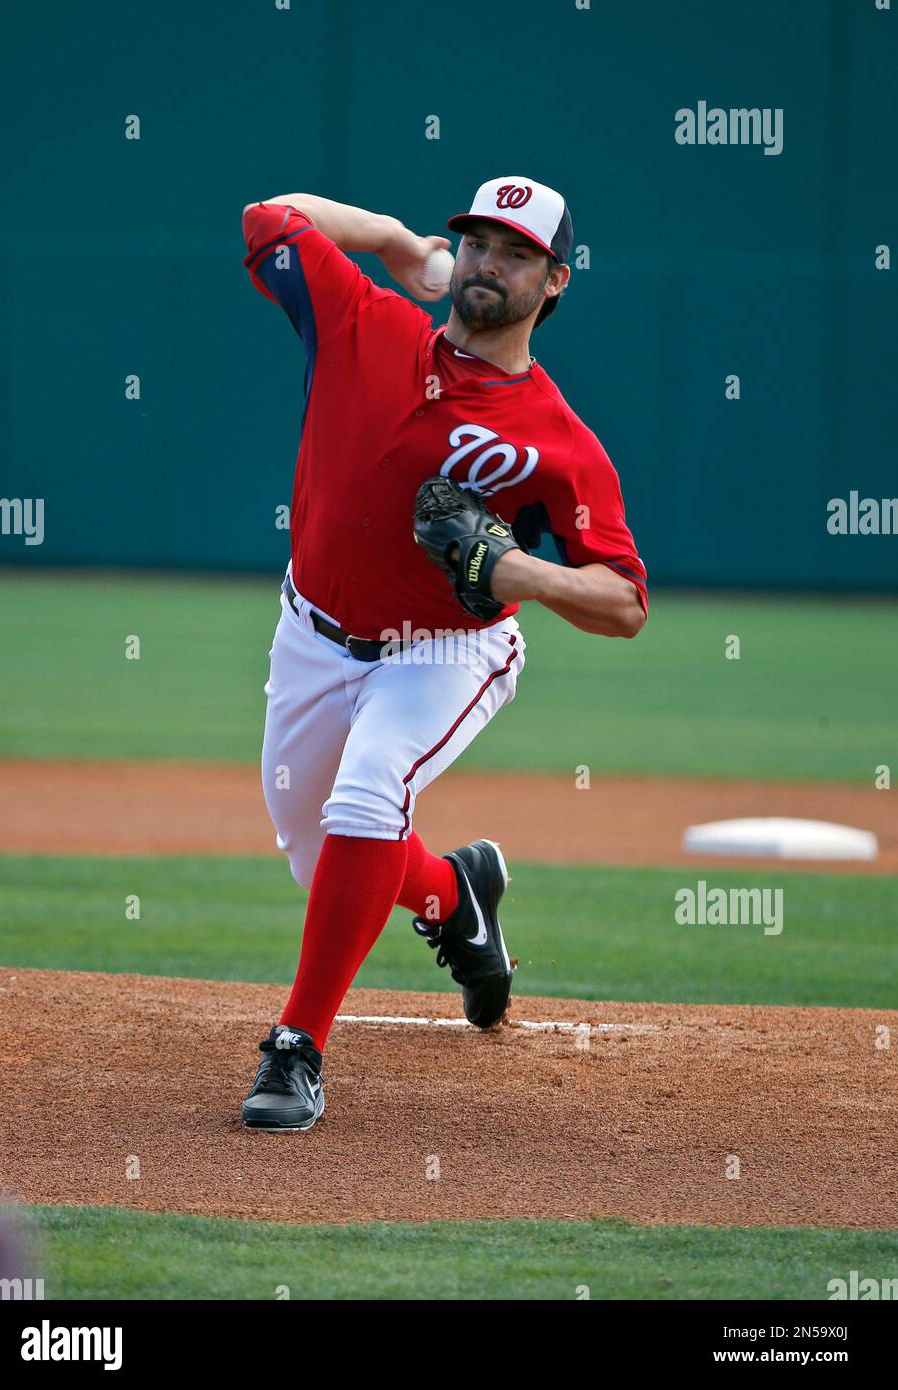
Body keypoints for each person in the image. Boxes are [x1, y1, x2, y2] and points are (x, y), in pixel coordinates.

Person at [239, 177, 647, 1131]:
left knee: (369, 792)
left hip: (444, 650)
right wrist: (391, 239)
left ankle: (296, 1049)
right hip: (310, 633)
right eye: (474, 243)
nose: (485, 263)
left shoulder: (556, 441)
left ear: (554, 282)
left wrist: (522, 573)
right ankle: (454, 894)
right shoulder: (364, 323)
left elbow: (624, 602)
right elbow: (269, 220)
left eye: (513, 253)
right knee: (325, 859)